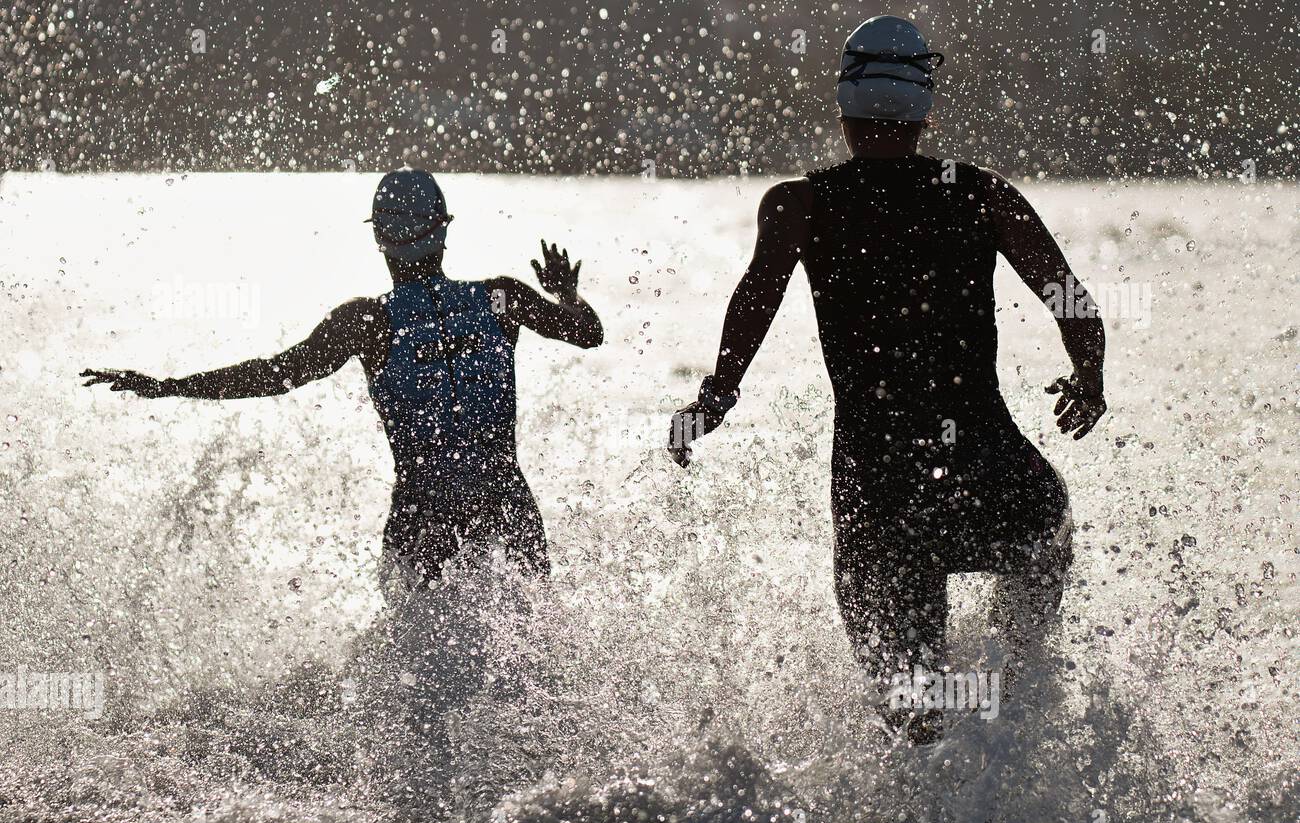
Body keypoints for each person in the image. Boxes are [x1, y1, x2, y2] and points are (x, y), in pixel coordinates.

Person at [667, 16, 1107, 741]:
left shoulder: (800, 206)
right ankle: (1015, 712)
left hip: (879, 487)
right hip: (988, 466)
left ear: (844, 108)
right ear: (924, 111)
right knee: (1045, 530)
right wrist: (1088, 379)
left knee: (910, 720)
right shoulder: (981, 194)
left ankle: (927, 812)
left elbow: (756, 298)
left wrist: (717, 394)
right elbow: (1071, 300)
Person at [83, 169, 603, 596]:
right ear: (443, 229)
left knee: (418, 670)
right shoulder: (500, 299)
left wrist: (171, 385)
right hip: (504, 500)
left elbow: (275, 374)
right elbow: (589, 334)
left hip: (425, 509)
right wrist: (566, 294)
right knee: (533, 651)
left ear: (379, 238)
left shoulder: (368, 322)